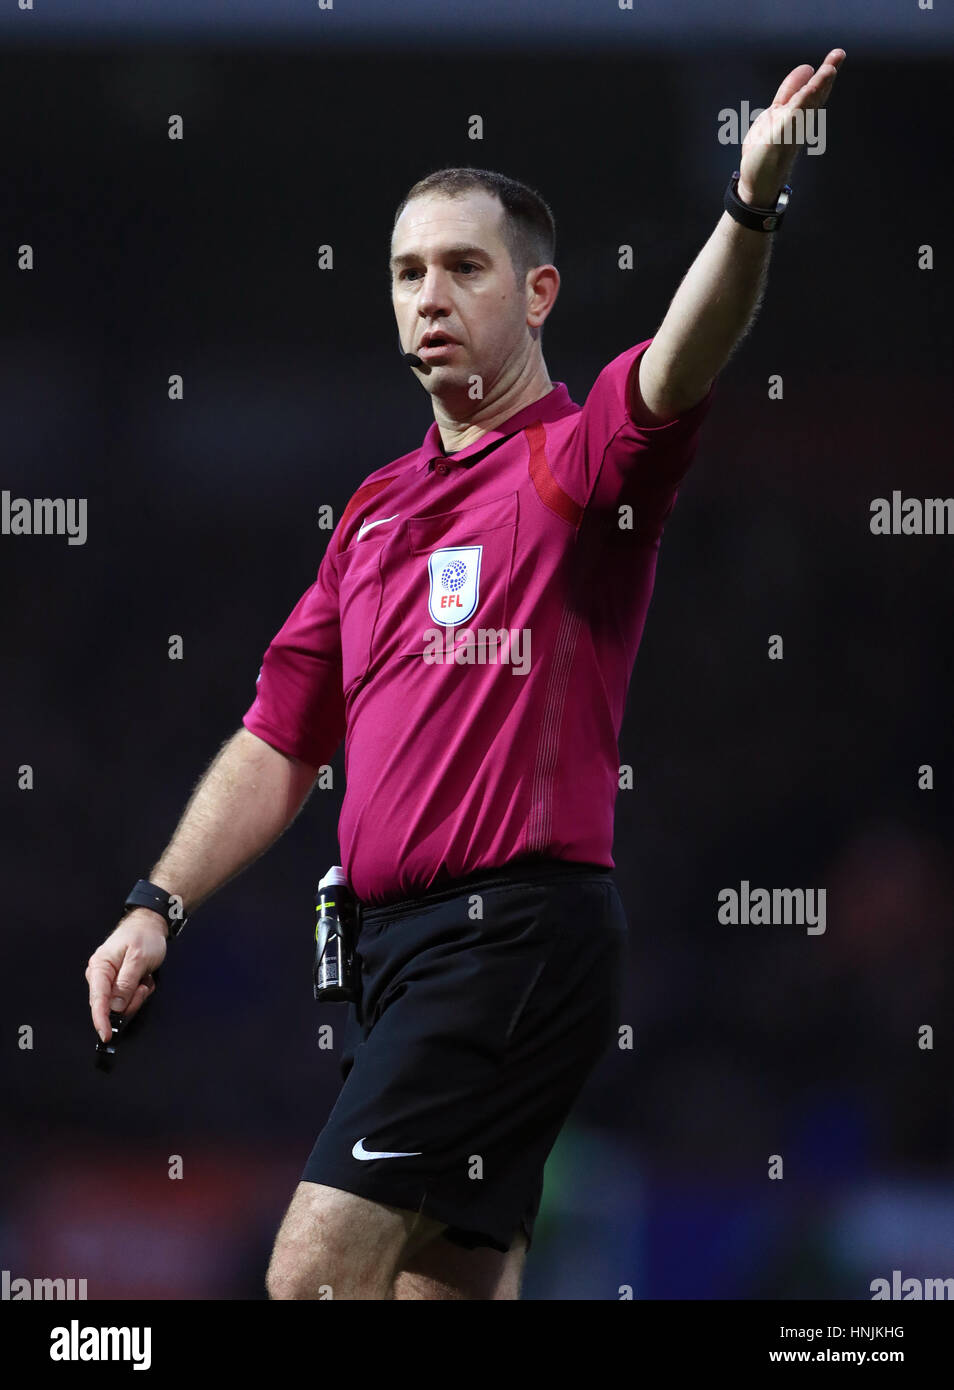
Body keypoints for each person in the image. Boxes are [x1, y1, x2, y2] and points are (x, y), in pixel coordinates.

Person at [86, 49, 845, 1300]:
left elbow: (682, 359)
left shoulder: (579, 463)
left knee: (314, 1275)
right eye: (406, 273)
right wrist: (156, 903)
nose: (428, 296)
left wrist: (749, 202)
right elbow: (280, 738)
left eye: (463, 267)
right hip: (396, 964)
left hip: (508, 938)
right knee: (436, 1293)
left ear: (538, 291)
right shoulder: (374, 514)